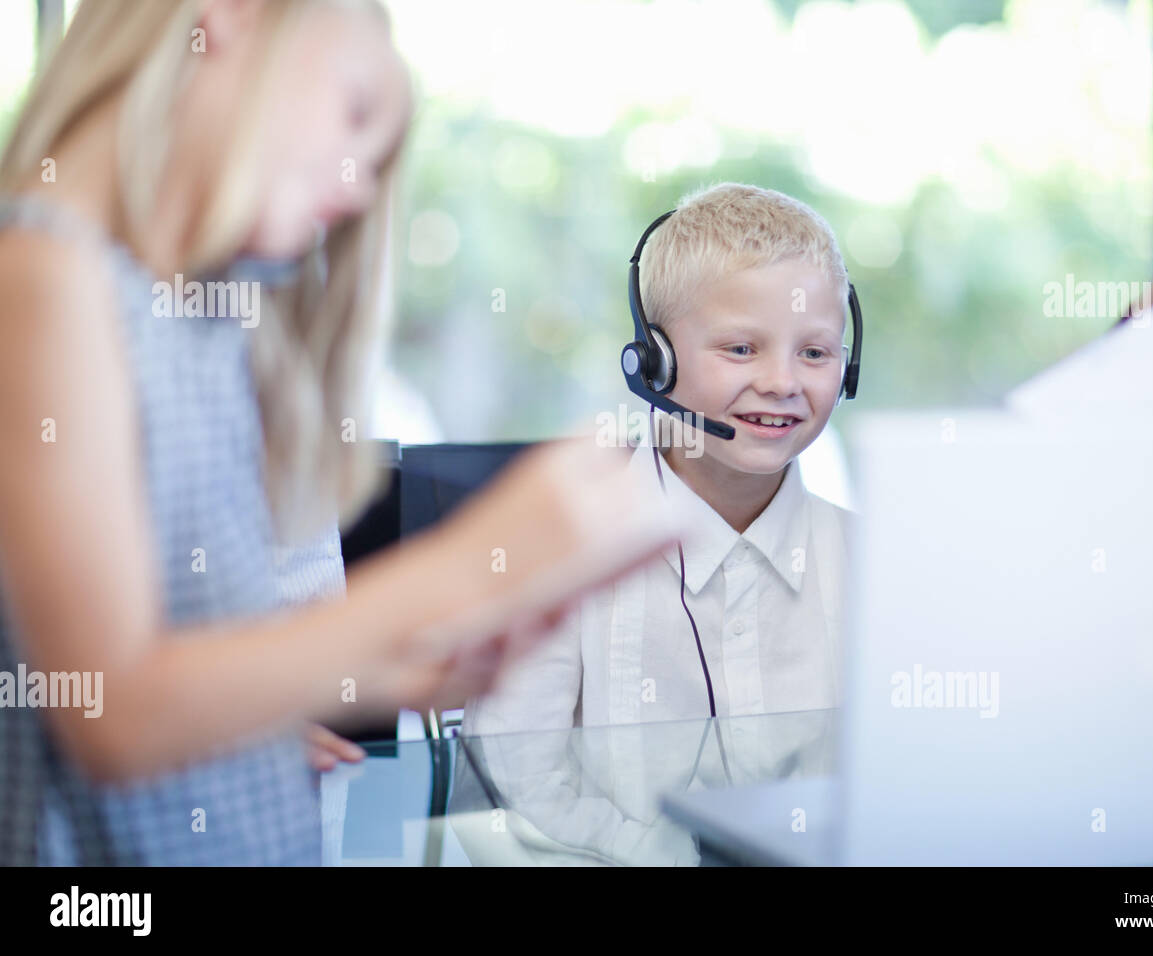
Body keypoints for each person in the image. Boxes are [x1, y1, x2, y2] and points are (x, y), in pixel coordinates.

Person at [0, 0, 678, 865]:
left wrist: (288, 701)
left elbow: (178, 664)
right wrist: (460, 567)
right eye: (356, 113)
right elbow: (112, 712)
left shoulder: (193, 316)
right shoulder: (43, 272)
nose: (360, 187)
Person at [464, 182, 1153, 736]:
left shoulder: (881, 569)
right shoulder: (564, 566)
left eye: (817, 354)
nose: (783, 383)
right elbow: (516, 792)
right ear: (654, 361)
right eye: (743, 347)